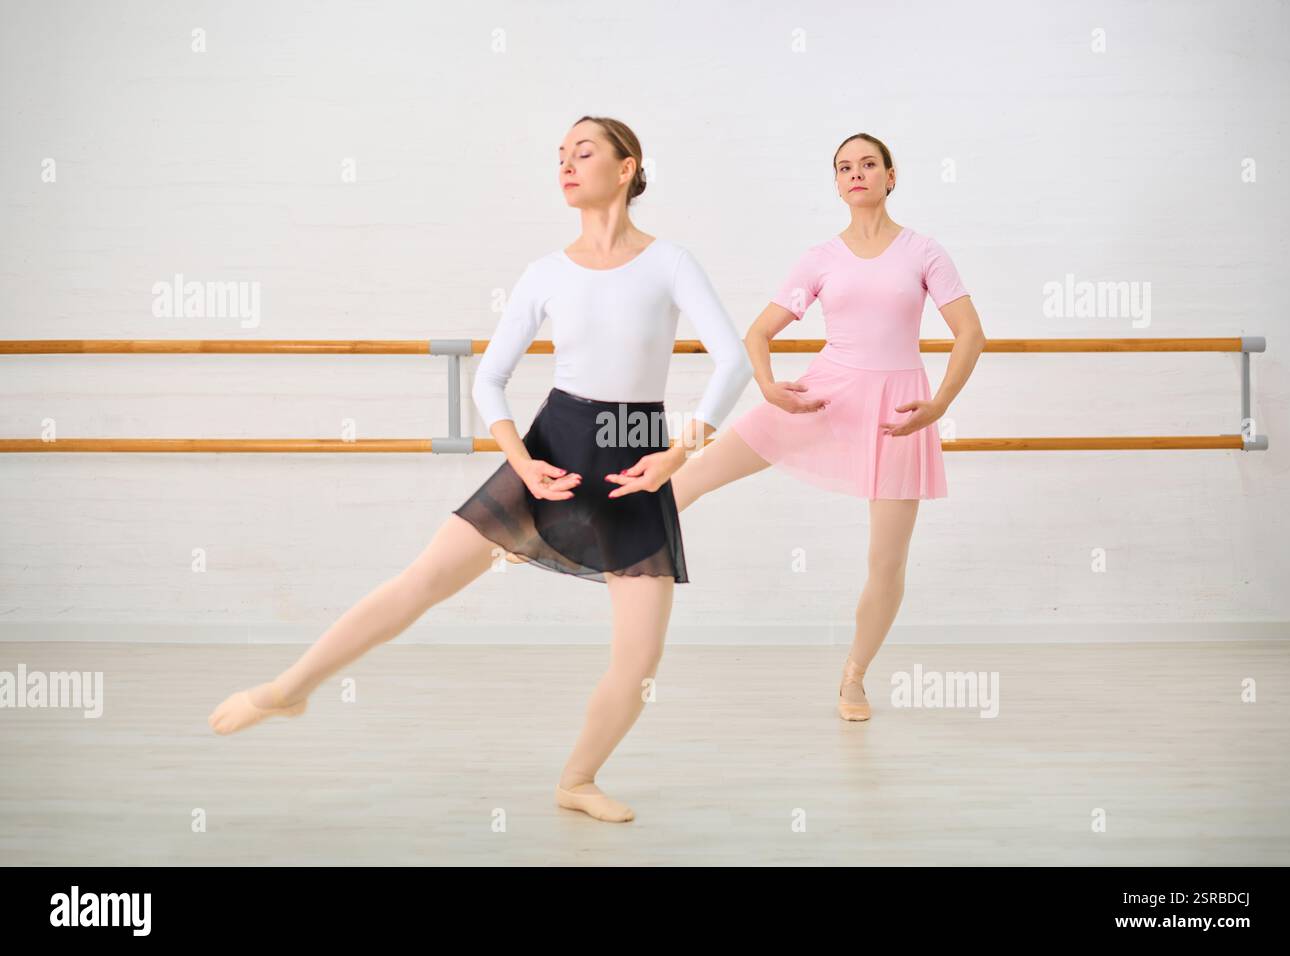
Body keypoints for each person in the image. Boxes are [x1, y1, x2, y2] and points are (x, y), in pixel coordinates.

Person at [208, 115, 752, 824]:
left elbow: (734, 362)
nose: (566, 163)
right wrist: (522, 463)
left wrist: (679, 453)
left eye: (583, 152)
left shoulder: (670, 262)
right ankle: (290, 688)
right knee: (423, 580)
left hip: (634, 458)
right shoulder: (545, 273)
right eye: (559, 155)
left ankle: (577, 780)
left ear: (627, 167)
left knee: (640, 656)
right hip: (554, 446)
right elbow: (489, 381)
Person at [668, 132, 987, 721]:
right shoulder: (819, 258)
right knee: (700, 471)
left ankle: (854, 676)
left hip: (900, 411)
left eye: (869, 164)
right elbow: (759, 333)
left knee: (886, 561)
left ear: (891, 176)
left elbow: (970, 332)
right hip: (825, 396)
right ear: (836, 183)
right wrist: (768, 387)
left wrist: (940, 403)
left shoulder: (924, 252)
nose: (856, 173)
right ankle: (625, 546)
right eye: (845, 167)